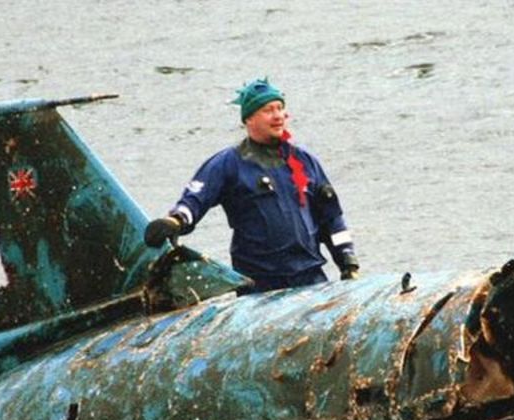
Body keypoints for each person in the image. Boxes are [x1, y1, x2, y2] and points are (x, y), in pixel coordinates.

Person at [145, 78, 359, 294]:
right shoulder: (228, 163)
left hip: (311, 279)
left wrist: (348, 263)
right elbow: (195, 200)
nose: (278, 116)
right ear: (249, 118)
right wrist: (175, 221)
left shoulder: (304, 161)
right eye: (268, 110)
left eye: (280, 108)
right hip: (259, 287)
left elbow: (331, 218)